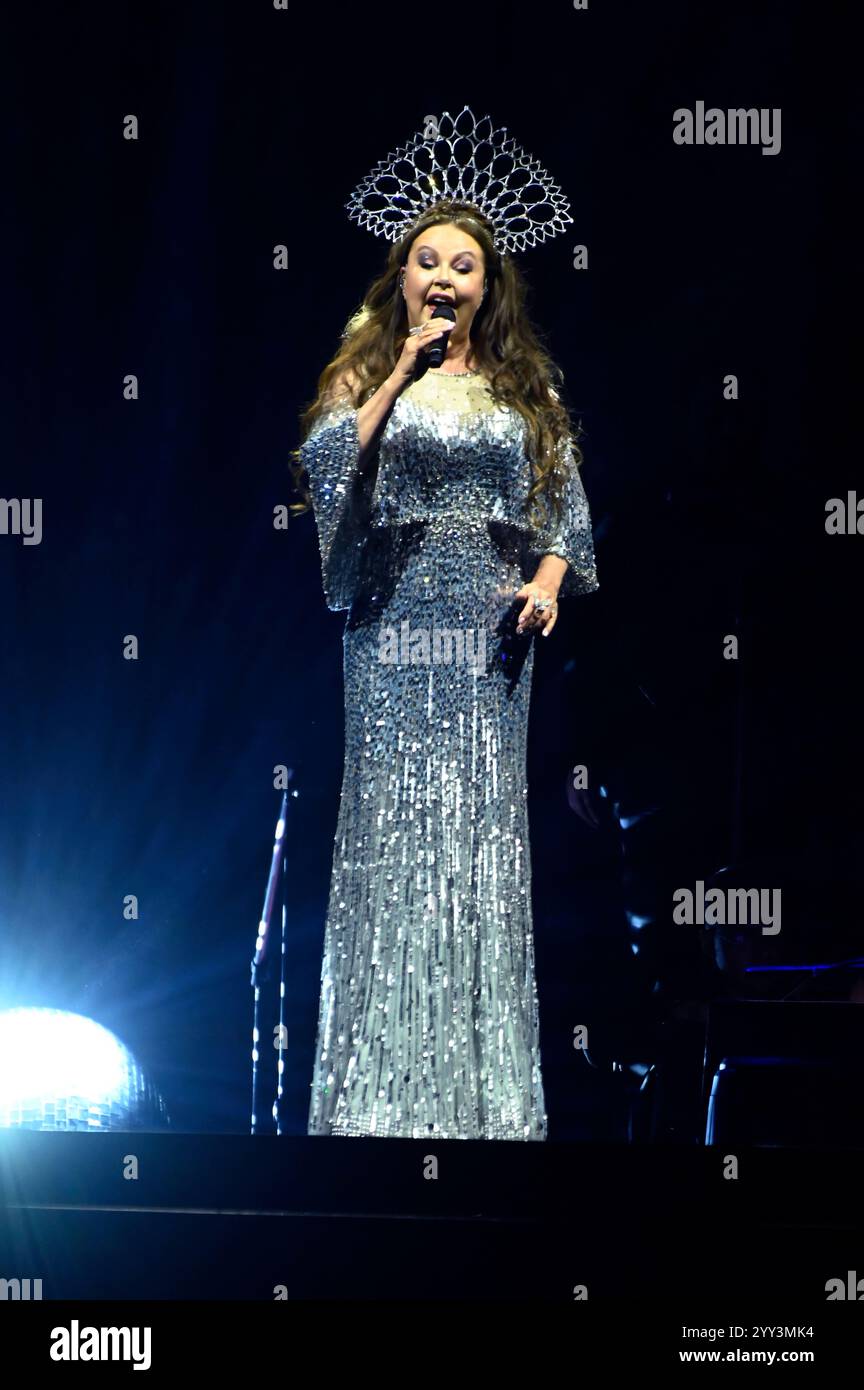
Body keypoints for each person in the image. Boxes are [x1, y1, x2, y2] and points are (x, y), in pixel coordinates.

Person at [292, 110, 599, 1139]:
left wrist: (548, 583)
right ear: (404, 277)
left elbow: (567, 510)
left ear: (488, 284)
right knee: (391, 842)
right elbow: (332, 466)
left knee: (476, 852)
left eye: (463, 265)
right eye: (427, 261)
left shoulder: (526, 388)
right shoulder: (367, 372)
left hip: (488, 643)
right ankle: (375, 1110)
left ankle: (480, 1115)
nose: (445, 278)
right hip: (389, 633)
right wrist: (400, 370)